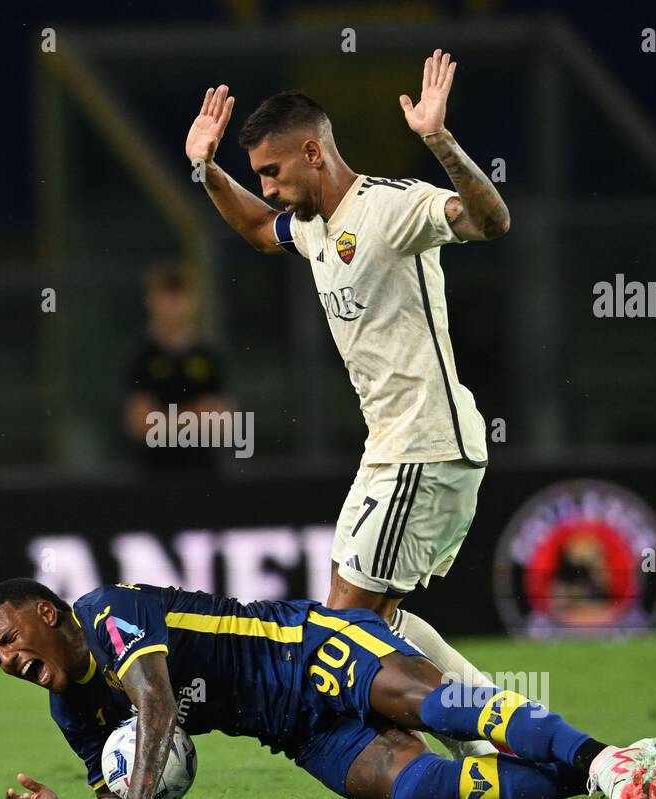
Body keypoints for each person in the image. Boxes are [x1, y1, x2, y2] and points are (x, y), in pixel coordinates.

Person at [184, 51, 508, 760]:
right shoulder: (312, 227)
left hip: (425, 445)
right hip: (391, 448)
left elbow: (491, 221)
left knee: (346, 633)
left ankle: (486, 744)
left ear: (312, 151)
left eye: (272, 172)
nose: (267, 187)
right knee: (372, 623)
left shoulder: (391, 207)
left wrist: (440, 142)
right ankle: (498, 736)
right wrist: (207, 171)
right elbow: (252, 230)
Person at [0, 578, 656, 799]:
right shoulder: (71, 711)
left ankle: (597, 753)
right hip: (296, 732)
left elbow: (155, 704)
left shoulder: (106, 613)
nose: (6, 660)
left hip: (305, 649)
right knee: (418, 789)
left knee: (440, 706)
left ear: (46, 612)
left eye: (7, 638)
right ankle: (605, 772)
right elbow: (115, 792)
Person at [124, 261, 233, 474]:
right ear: (152, 300)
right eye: (168, 294)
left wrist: (164, 420)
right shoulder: (141, 356)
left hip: (204, 475)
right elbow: (141, 425)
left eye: (180, 293)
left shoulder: (208, 355)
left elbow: (224, 421)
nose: (174, 303)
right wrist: (197, 416)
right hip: (154, 476)